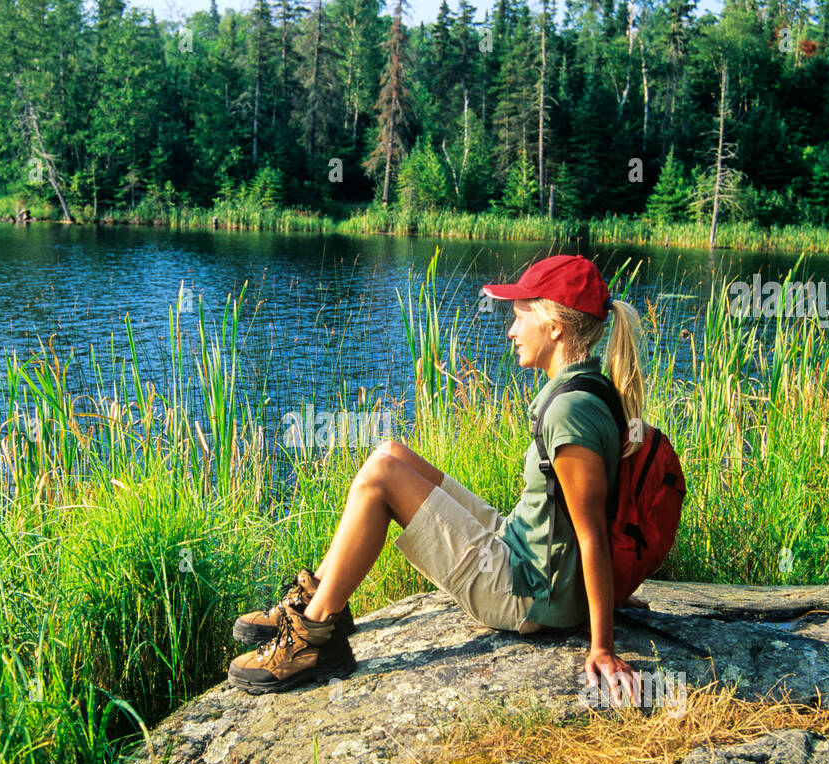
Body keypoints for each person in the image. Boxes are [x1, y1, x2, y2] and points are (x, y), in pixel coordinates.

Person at [227, 254, 649, 705]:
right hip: (520, 548)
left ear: (554, 326)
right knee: (389, 452)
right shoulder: (584, 389)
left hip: (523, 592)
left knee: (381, 477)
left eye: (519, 316)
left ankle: (313, 641)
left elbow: (591, 536)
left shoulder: (569, 412)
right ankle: (314, 600)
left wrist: (602, 646)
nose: (510, 331)